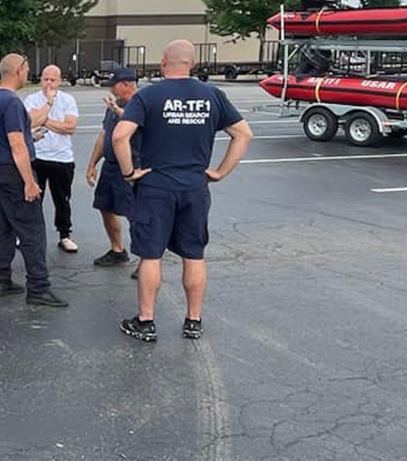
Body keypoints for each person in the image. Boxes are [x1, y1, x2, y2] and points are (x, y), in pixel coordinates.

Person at [111, 39, 253, 342]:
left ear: (164, 62)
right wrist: (220, 171)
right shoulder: (212, 95)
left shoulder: (148, 95)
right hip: (194, 187)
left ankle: (146, 321)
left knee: (151, 255)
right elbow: (243, 134)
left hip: (156, 187)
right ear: (193, 64)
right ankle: (193, 320)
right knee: (194, 254)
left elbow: (120, 136)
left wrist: (128, 173)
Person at [0, 53, 68, 308]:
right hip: (13, 174)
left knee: (3, 227)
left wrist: (32, 135)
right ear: (18, 70)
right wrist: (29, 181)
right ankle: (38, 287)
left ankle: (1, 279)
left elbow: (5, 135)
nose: (29, 72)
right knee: (32, 230)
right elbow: (16, 144)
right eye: (27, 68)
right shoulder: (11, 102)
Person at [83, 66, 141, 267]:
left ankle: (146, 260)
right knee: (105, 207)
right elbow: (104, 135)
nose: (111, 89)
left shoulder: (141, 103)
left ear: (126, 84)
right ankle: (117, 250)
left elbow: (138, 124)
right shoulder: (115, 105)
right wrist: (92, 164)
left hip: (132, 167)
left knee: (135, 214)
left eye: (114, 85)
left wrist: (119, 111)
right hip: (111, 166)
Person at [24, 64, 81, 253]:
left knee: (62, 199)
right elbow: (30, 122)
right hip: (37, 157)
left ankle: (65, 235)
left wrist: (44, 120)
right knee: (33, 198)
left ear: (60, 81)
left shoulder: (68, 100)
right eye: (45, 79)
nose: (48, 83)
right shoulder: (31, 99)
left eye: (53, 80)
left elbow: (69, 127)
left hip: (62, 158)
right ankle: (29, 234)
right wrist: (47, 106)